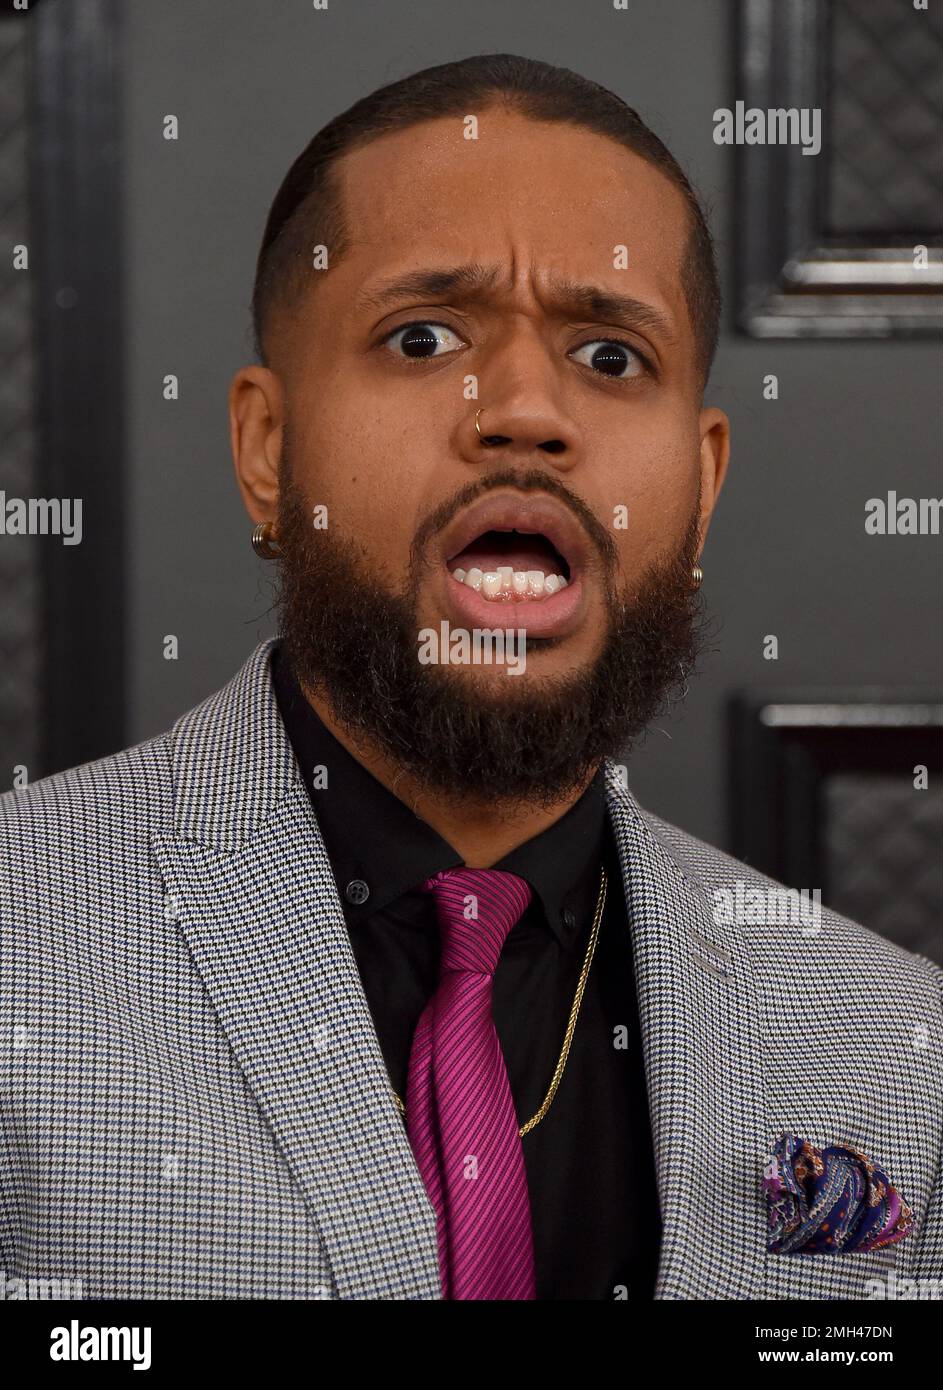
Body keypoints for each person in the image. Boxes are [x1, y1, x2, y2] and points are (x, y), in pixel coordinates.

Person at [2, 53, 941, 1302]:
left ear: (702, 486)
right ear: (268, 450)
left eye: (611, 357)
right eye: (424, 335)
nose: (523, 411)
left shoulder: (888, 1043)